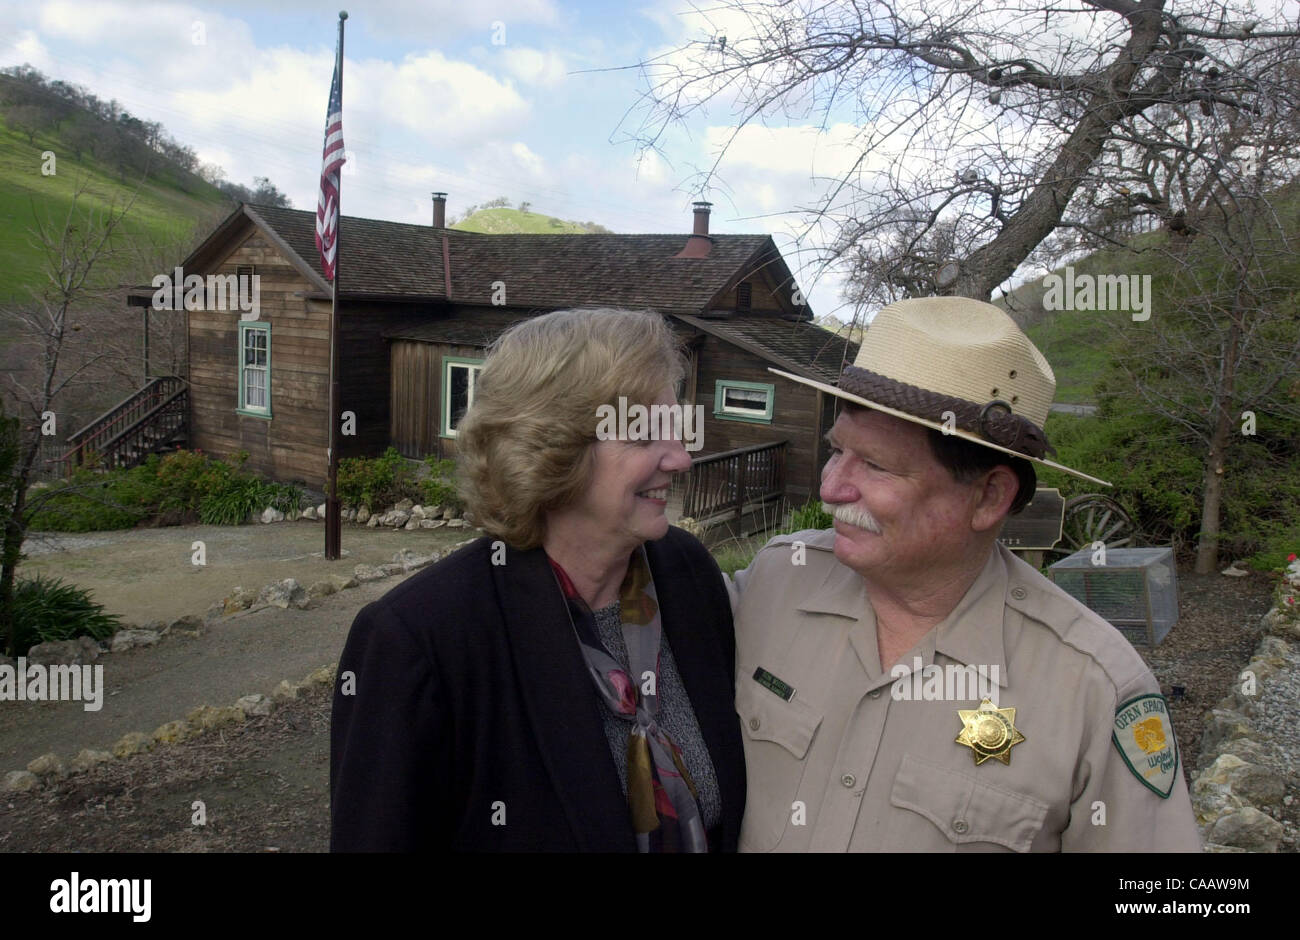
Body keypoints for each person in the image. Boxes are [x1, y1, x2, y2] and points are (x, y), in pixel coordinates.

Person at [728, 296, 1202, 852]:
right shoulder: (773, 582)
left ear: (989, 496)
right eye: (837, 452)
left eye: (876, 466)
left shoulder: (1095, 688)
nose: (831, 488)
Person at [330, 308, 745, 851]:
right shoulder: (421, 641)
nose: (682, 458)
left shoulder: (686, 574)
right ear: (554, 451)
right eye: (645, 436)